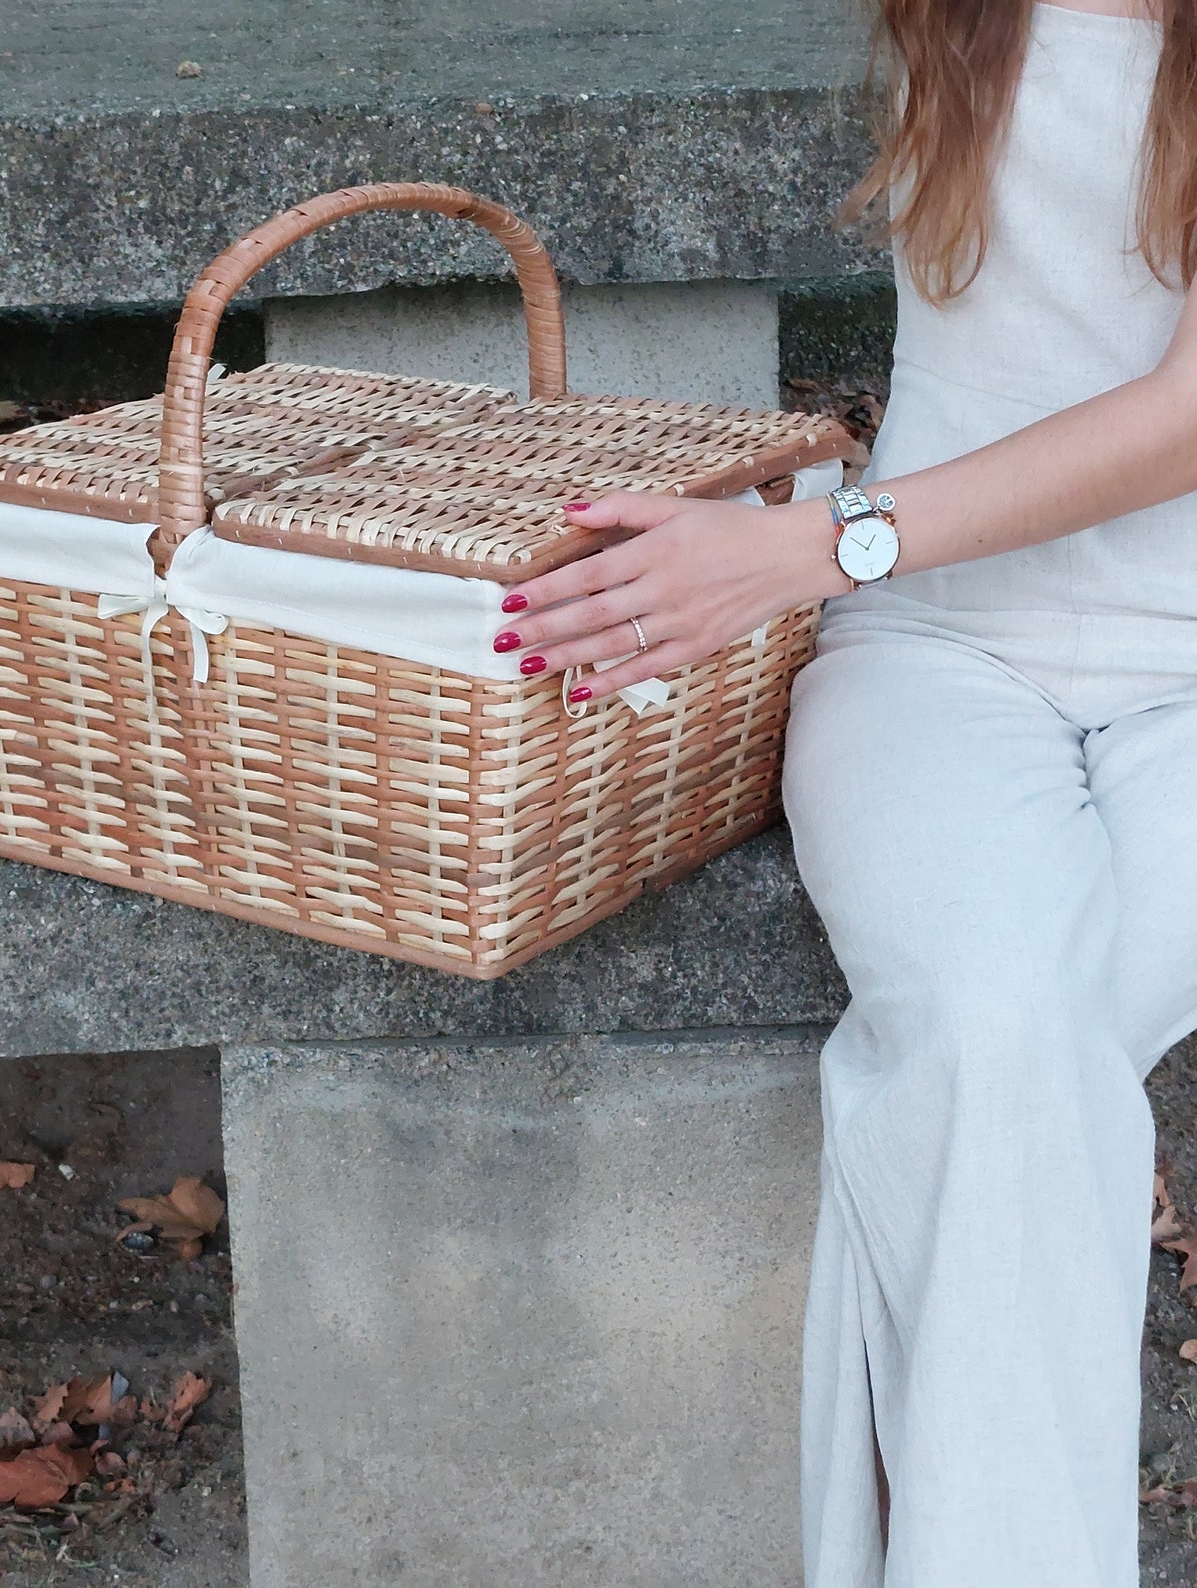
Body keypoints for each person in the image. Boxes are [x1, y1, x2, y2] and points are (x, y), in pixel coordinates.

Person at [492, 0, 1197, 1581]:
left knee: (1002, 1081)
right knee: (999, 1039)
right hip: (934, 659)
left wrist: (813, 544)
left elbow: (1185, 415)